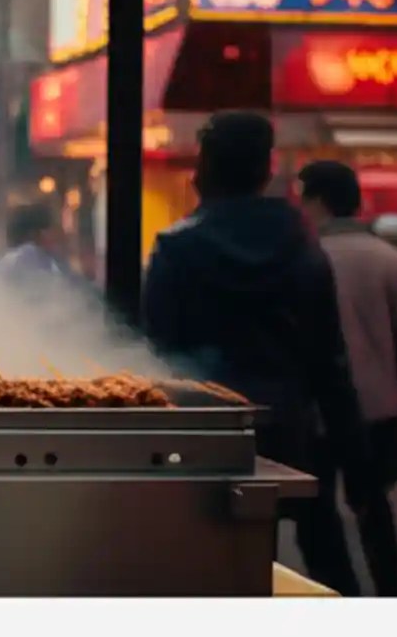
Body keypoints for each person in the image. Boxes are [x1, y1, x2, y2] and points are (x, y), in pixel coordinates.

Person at [143, 111, 373, 597]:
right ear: (267, 172)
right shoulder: (303, 246)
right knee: (328, 569)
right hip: (292, 433)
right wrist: (358, 467)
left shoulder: (174, 251)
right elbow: (329, 361)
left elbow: (156, 364)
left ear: (202, 171)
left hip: (206, 442)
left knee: (209, 579)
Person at [297, 161, 397, 596]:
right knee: (373, 508)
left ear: (317, 200)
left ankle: (338, 596)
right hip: (383, 408)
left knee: (318, 512)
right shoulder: (389, 259)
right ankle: (394, 595)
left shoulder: (308, 257)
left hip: (320, 410)